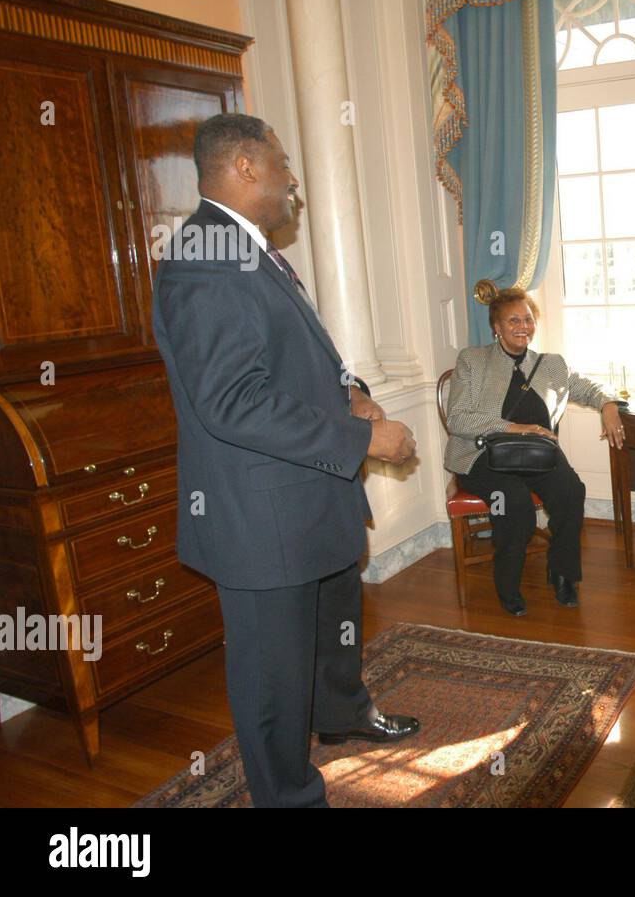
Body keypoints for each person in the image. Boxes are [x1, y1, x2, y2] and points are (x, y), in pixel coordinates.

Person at [152, 113, 420, 807]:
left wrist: (351, 393)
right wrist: (365, 442)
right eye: (282, 164)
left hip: (307, 497)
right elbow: (233, 401)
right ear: (244, 167)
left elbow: (291, 363)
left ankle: (341, 714)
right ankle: (288, 795)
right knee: (272, 674)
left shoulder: (248, 251)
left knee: (337, 617)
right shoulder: (204, 259)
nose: (294, 180)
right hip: (261, 518)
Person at [444, 289, 625, 615]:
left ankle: (562, 572)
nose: (523, 326)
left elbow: (587, 387)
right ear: (496, 326)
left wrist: (609, 403)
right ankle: (507, 583)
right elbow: (458, 418)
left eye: (528, 319)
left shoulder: (551, 365)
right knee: (513, 502)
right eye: (513, 320)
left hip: (536, 454)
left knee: (571, 492)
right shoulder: (472, 360)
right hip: (482, 456)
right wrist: (516, 428)